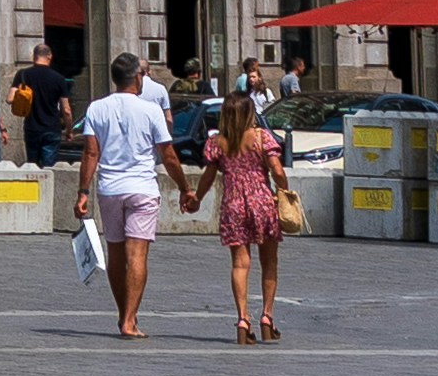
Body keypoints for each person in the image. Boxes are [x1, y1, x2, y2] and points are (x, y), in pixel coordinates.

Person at [80, 52, 188, 341]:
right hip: (142, 189)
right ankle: (130, 319)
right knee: (137, 254)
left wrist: (82, 192)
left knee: (116, 254)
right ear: (137, 77)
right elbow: (168, 155)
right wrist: (185, 188)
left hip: (110, 189)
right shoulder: (151, 110)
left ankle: (123, 314)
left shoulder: (96, 108)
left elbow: (91, 153)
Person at [205, 82, 291, 346]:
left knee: (240, 264)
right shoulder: (261, 138)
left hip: (233, 205)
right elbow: (277, 170)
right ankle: (267, 316)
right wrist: (284, 190)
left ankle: (243, 319)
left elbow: (208, 177)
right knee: (269, 262)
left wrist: (195, 198)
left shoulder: (217, 143)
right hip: (262, 202)